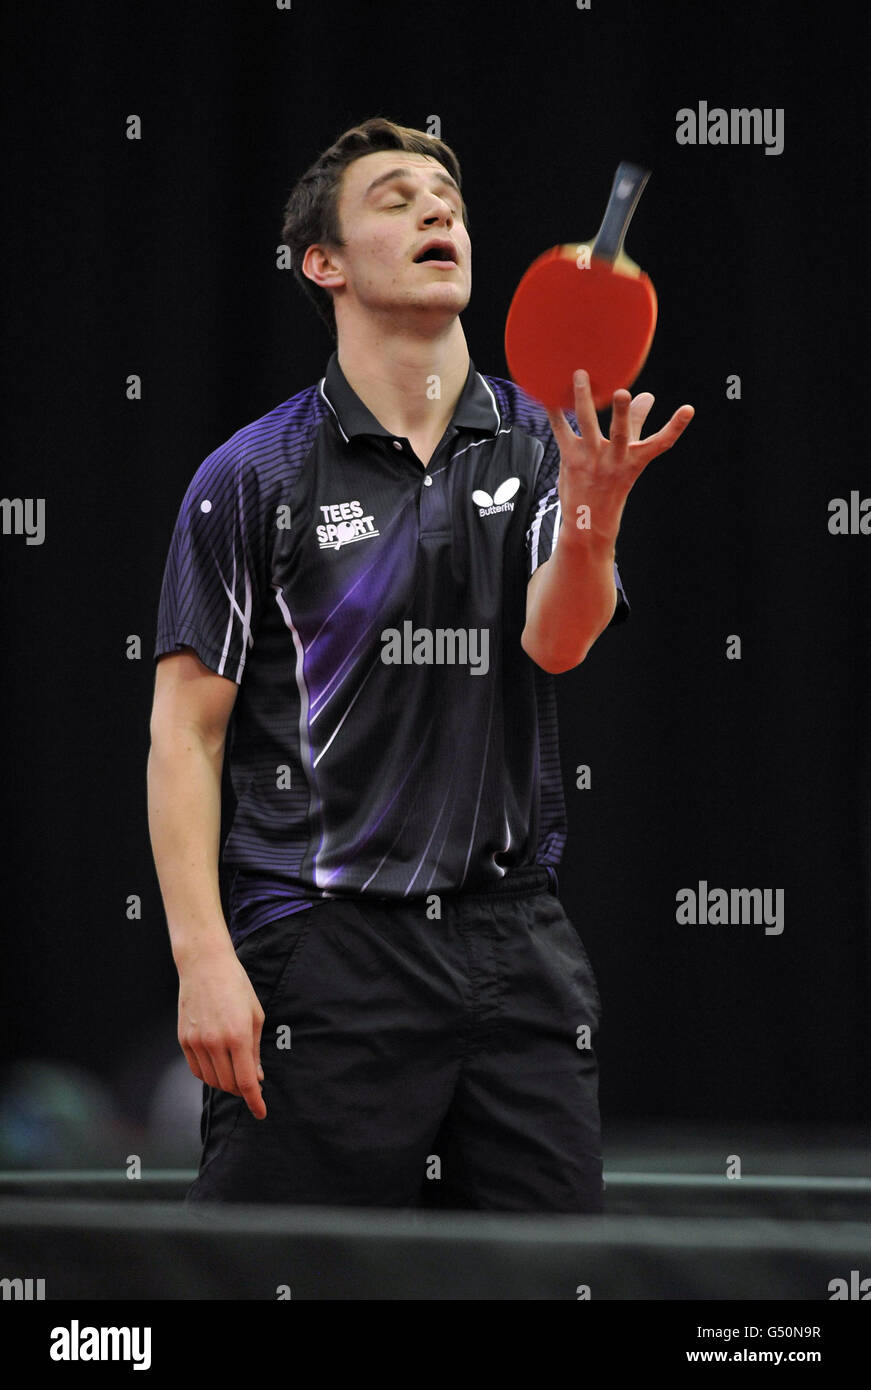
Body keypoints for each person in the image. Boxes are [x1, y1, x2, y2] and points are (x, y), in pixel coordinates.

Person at [147, 117, 694, 1212]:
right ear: (325, 262)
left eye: (445, 196)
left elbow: (557, 640)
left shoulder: (542, 441)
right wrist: (203, 959)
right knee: (280, 1287)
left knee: (548, 1295)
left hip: (517, 945)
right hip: (323, 944)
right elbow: (185, 733)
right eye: (395, 198)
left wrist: (591, 519)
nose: (437, 209)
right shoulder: (250, 477)